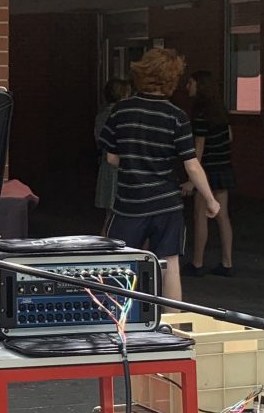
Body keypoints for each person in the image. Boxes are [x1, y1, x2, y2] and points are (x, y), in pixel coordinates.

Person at [99, 47, 219, 302]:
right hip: (166, 203)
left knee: (119, 263)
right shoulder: (177, 116)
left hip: (129, 204)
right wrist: (210, 199)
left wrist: (133, 159)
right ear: (172, 79)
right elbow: (192, 165)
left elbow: (111, 157)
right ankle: (172, 326)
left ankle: (117, 322)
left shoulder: (121, 111)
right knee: (170, 263)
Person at [181, 70, 236, 276]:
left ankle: (197, 263)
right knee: (223, 216)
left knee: (200, 215)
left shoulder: (200, 113)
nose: (188, 86)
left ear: (200, 86)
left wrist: (191, 179)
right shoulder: (220, 110)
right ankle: (227, 262)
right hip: (224, 166)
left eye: (191, 83)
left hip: (208, 169)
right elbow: (229, 136)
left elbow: (199, 147)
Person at [93, 77, 131, 233]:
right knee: (116, 215)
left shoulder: (101, 115)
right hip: (118, 167)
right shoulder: (120, 115)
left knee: (111, 214)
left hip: (106, 166)